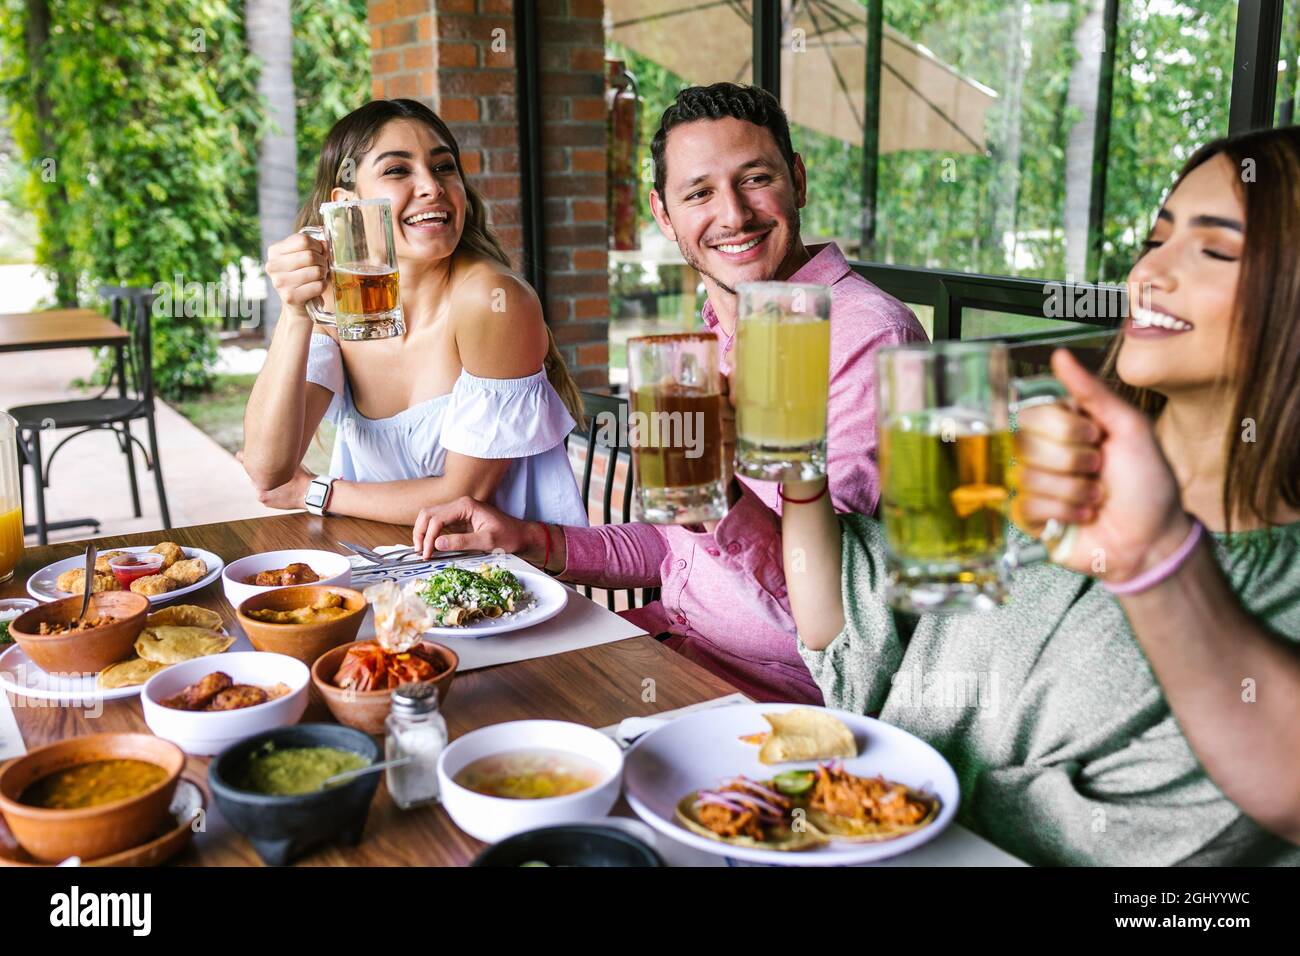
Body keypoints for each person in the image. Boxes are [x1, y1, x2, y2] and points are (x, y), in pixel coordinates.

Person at [780, 125, 1300, 865]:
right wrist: (794, 463)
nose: (1148, 272)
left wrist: (1154, 558)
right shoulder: (1036, 466)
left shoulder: (1279, 593)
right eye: (1155, 240)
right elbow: (851, 627)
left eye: (1214, 248)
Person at [412, 84, 926, 703]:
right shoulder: (709, 333)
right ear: (664, 214)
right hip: (665, 646)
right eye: (700, 192)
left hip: (775, 697)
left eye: (755, 178)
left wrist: (720, 504)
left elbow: (838, 617)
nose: (734, 215)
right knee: (438, 688)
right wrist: (533, 540)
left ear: (798, 180)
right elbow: (676, 548)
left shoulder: (869, 336)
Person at [240, 99, 587, 527]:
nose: (432, 186)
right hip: (386, 564)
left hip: (501, 578)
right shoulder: (342, 303)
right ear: (347, 203)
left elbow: (462, 499)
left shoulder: (490, 299)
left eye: (443, 167)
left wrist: (316, 490)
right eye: (397, 170)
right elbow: (268, 468)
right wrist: (295, 312)